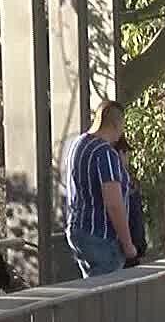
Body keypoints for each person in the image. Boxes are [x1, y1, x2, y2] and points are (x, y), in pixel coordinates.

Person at [60, 101, 140, 276]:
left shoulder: (78, 145)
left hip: (79, 230)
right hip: (101, 235)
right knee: (108, 296)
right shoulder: (105, 153)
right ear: (116, 124)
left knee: (91, 290)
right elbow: (113, 203)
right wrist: (128, 245)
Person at [111, 135, 148, 267]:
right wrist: (135, 247)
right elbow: (134, 217)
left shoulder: (124, 180)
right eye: (126, 153)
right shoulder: (123, 182)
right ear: (121, 153)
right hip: (125, 247)